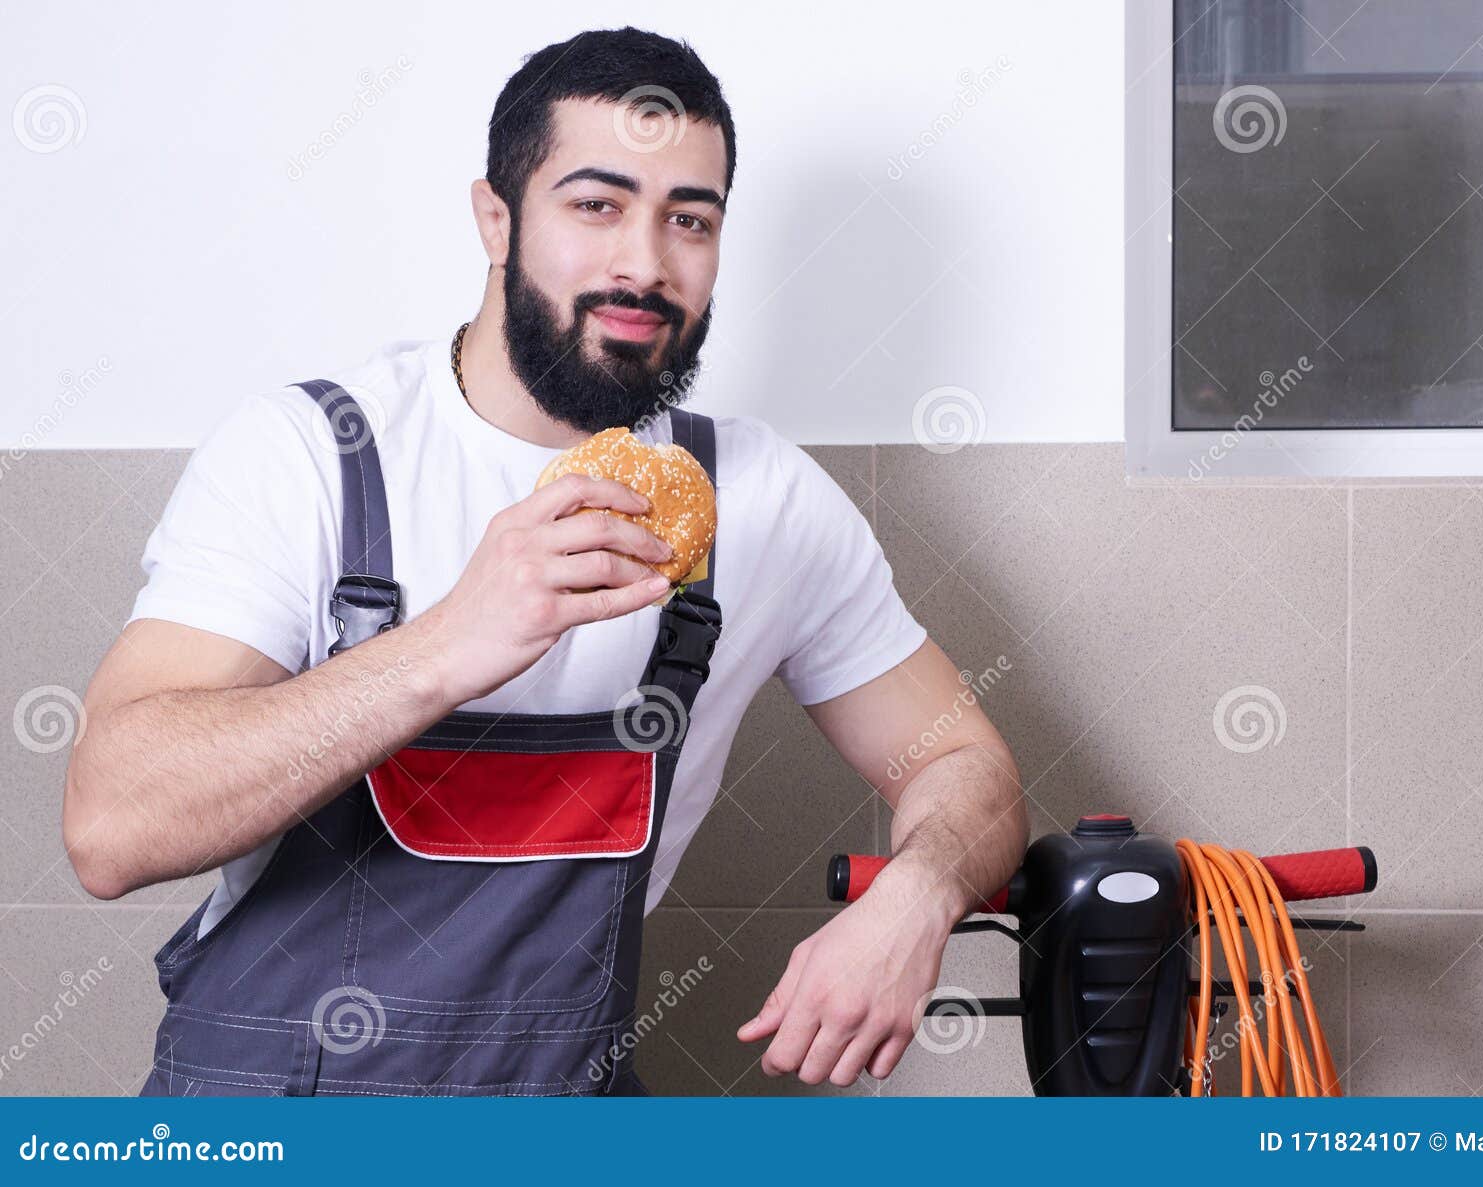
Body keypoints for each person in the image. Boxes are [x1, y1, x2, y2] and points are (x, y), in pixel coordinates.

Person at [62, 26, 1026, 1097]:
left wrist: (919, 897)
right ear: (496, 216)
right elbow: (111, 824)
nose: (645, 264)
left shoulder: (763, 499)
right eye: (596, 204)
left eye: (689, 220)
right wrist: (444, 647)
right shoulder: (312, 457)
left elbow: (963, 764)